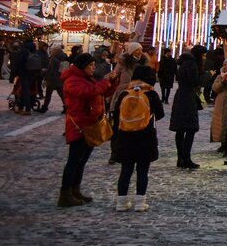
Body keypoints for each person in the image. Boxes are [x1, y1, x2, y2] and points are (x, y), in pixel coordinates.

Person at [59, 52, 116, 207]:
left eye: (93, 65)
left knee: (82, 161)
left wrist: (112, 81)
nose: (93, 68)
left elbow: (101, 93)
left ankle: (75, 190)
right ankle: (65, 193)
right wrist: (104, 81)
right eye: (90, 65)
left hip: (90, 124)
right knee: (74, 161)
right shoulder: (72, 80)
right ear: (82, 67)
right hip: (79, 125)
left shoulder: (86, 78)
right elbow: (89, 92)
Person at [112, 65, 165, 212]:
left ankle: (121, 202)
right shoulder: (151, 94)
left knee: (126, 170)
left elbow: (116, 114)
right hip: (145, 136)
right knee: (142, 170)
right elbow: (160, 115)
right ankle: (140, 202)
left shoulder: (124, 93)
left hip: (125, 136)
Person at [170, 51, 202, 170]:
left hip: (180, 96)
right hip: (189, 97)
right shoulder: (192, 65)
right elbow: (195, 81)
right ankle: (186, 158)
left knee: (180, 129)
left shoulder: (182, 65)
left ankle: (180, 158)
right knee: (190, 129)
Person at [210, 58, 227, 153]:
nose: (226, 66)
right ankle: (222, 143)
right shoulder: (219, 76)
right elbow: (215, 88)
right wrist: (222, 82)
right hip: (220, 103)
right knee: (219, 122)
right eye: (225, 64)